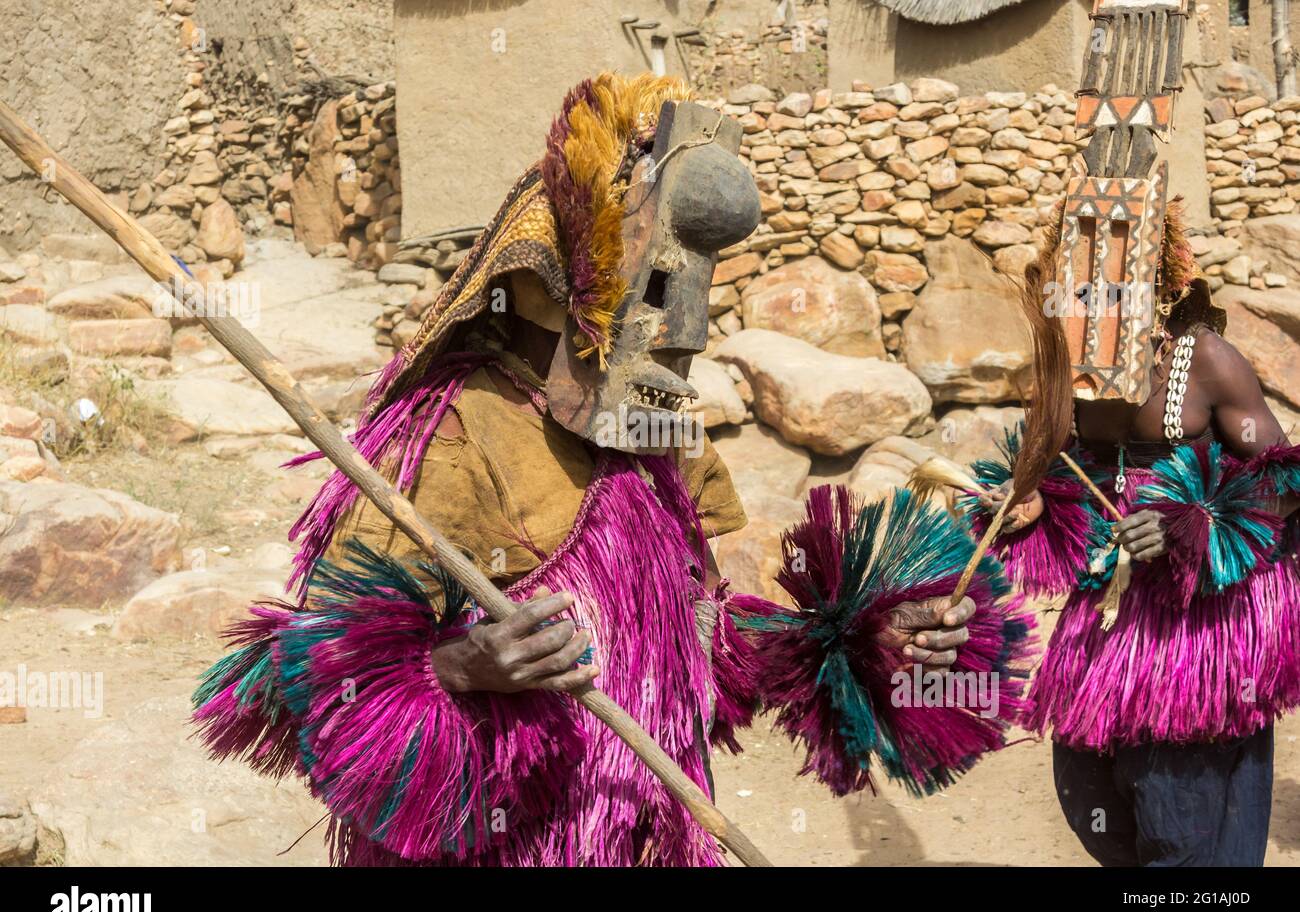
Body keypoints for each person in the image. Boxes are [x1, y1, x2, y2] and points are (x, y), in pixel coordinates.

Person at [192, 73, 1026, 867]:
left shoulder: (664, 439)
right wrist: (457, 667)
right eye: (654, 289)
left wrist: (872, 639)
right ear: (551, 284)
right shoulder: (453, 437)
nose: (680, 331)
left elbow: (730, 631)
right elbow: (309, 684)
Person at [972, 203, 1300, 866]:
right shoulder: (1070, 369)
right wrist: (1034, 503)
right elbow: (1060, 473)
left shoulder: (1204, 360)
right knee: (1088, 784)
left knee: (1178, 806)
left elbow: (1286, 485)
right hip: (1112, 604)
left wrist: (1191, 522)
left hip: (1203, 617)